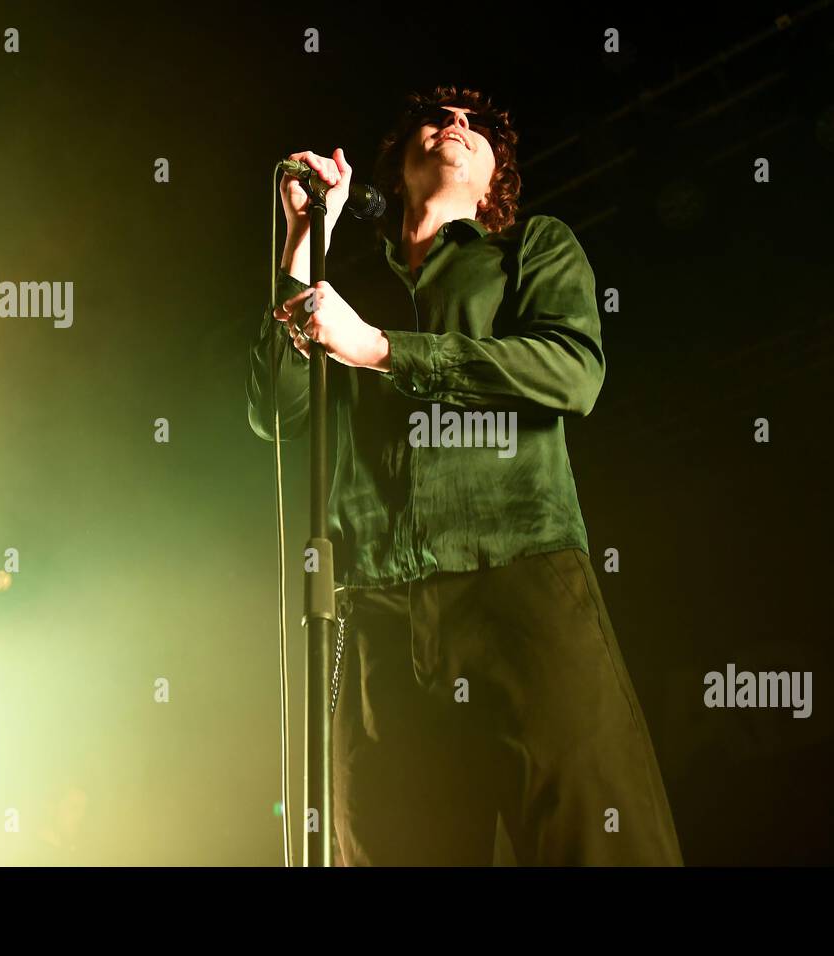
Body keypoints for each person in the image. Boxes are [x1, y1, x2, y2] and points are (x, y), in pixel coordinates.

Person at [248, 85, 682, 866]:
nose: (455, 126)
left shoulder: (531, 249)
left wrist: (383, 350)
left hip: (520, 582)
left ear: (494, 183)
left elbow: (572, 373)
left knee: (595, 839)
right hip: (378, 604)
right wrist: (303, 243)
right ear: (397, 165)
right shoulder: (352, 289)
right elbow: (275, 416)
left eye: (476, 126)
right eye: (437, 117)